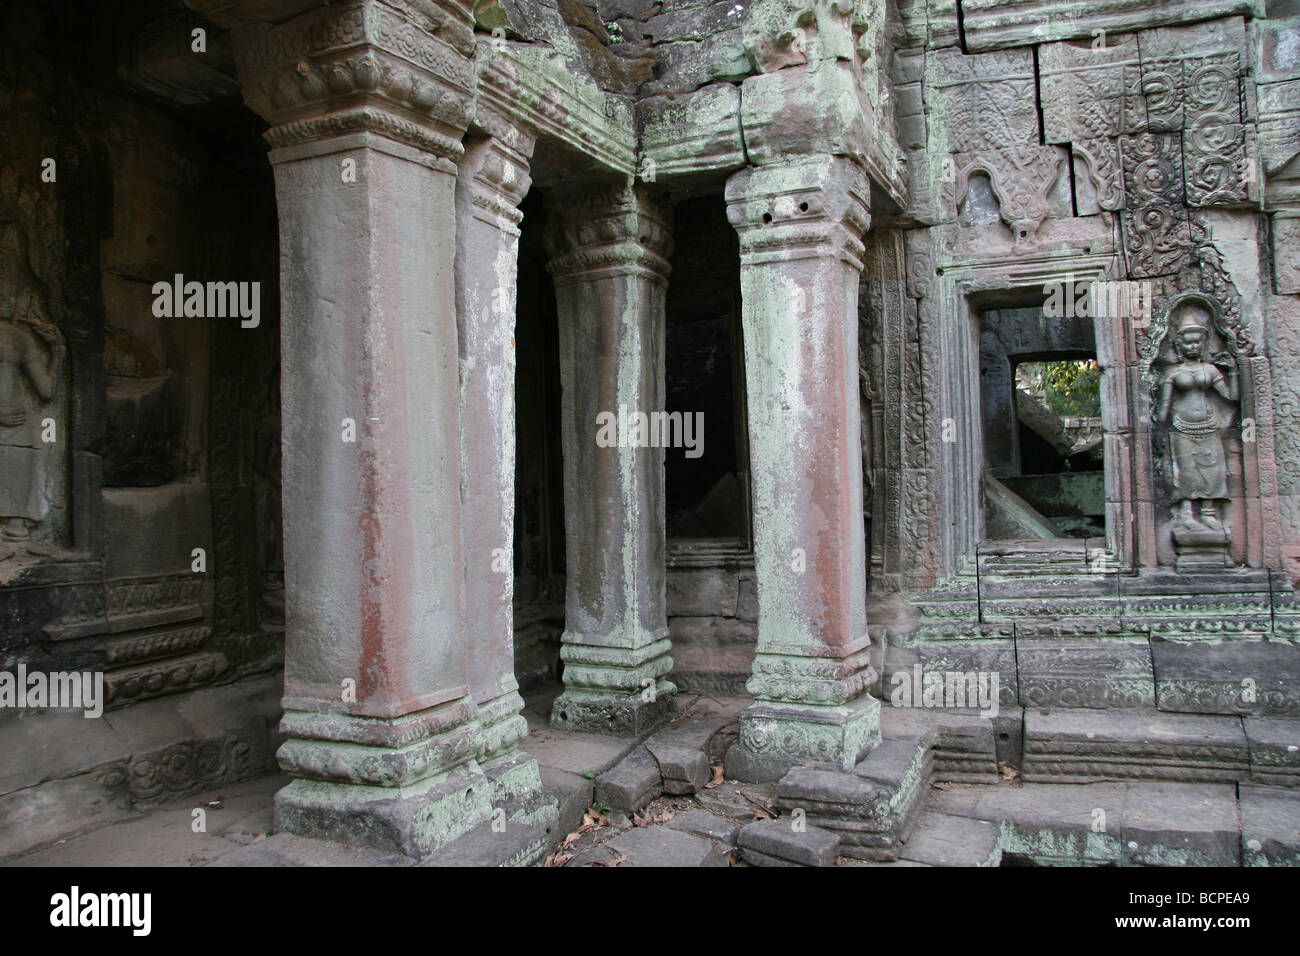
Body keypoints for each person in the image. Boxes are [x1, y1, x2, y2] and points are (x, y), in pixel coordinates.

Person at [1152, 301, 1237, 532]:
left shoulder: (1210, 370)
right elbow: (1164, 406)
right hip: (1181, 426)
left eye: (1197, 341)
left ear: (1204, 343)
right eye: (1187, 342)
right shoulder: (1173, 372)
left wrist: (1236, 371)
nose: (1192, 346)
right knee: (1186, 469)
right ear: (1179, 345)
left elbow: (1230, 397)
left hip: (1209, 424)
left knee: (1213, 467)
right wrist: (1159, 430)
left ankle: (1209, 511)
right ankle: (1186, 513)